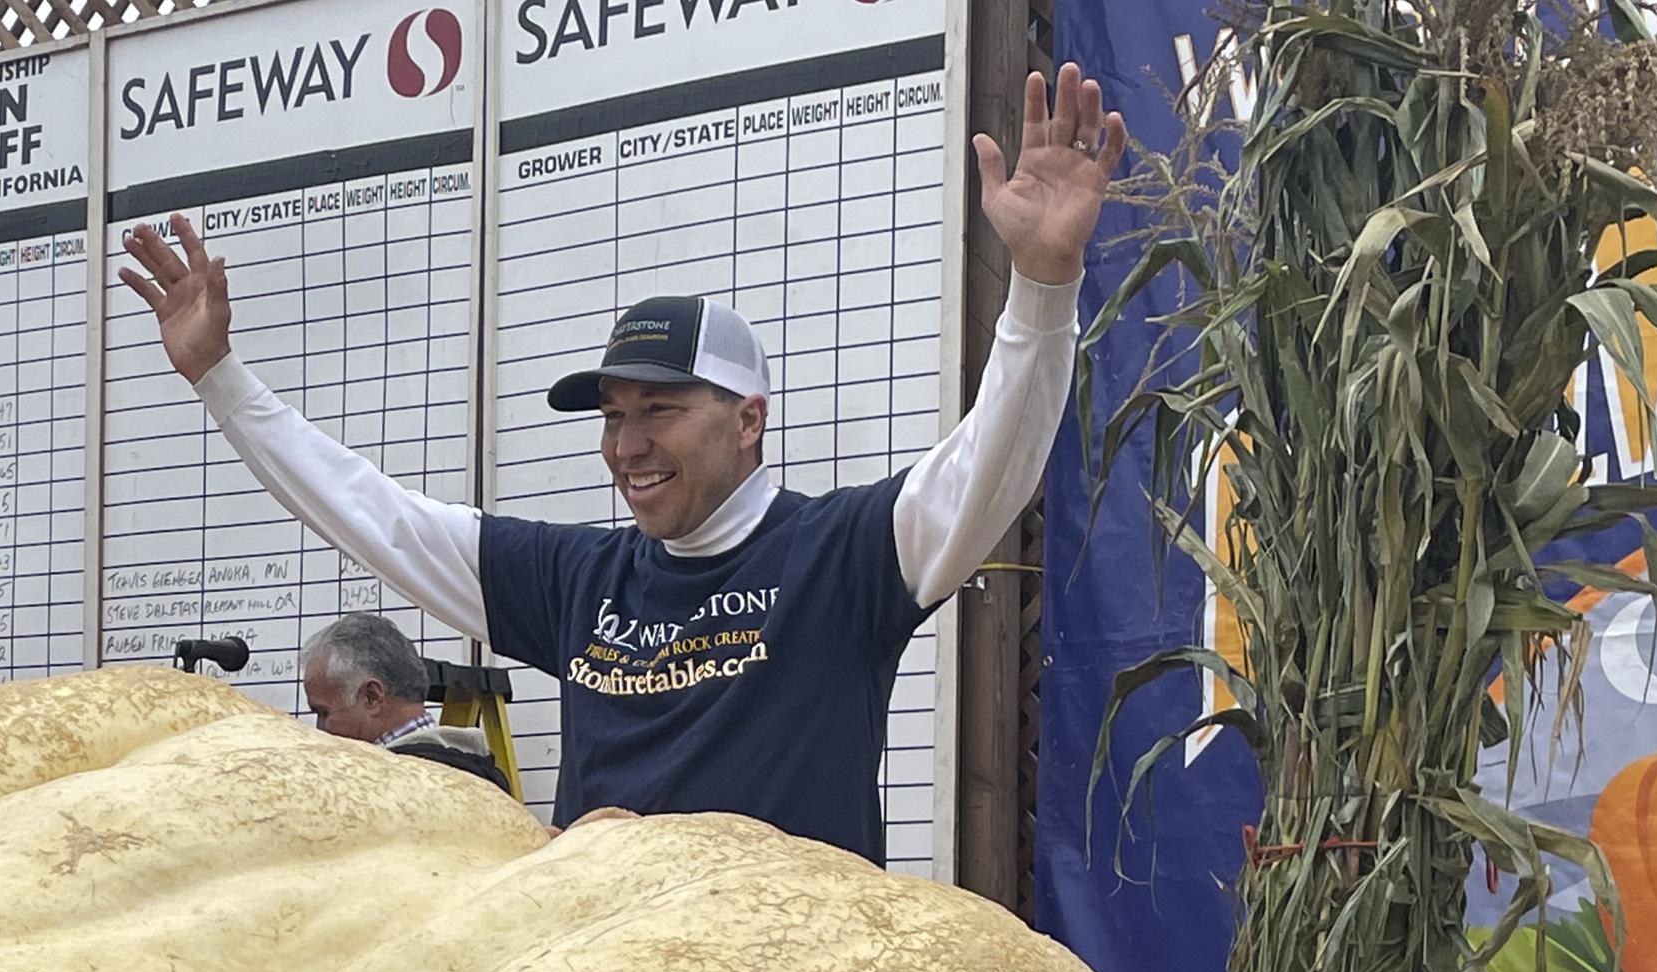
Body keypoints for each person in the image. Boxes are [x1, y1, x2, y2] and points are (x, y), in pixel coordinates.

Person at [120, 64, 1128, 861]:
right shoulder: (576, 579)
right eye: (612, 414)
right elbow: (370, 511)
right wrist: (219, 378)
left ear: (748, 420)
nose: (626, 444)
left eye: (660, 409)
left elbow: (993, 462)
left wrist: (1041, 288)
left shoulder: (845, 556)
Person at [300, 612, 511, 794]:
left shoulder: (371, 792)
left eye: (323, 712)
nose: (319, 730)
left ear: (371, 697)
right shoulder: (481, 775)